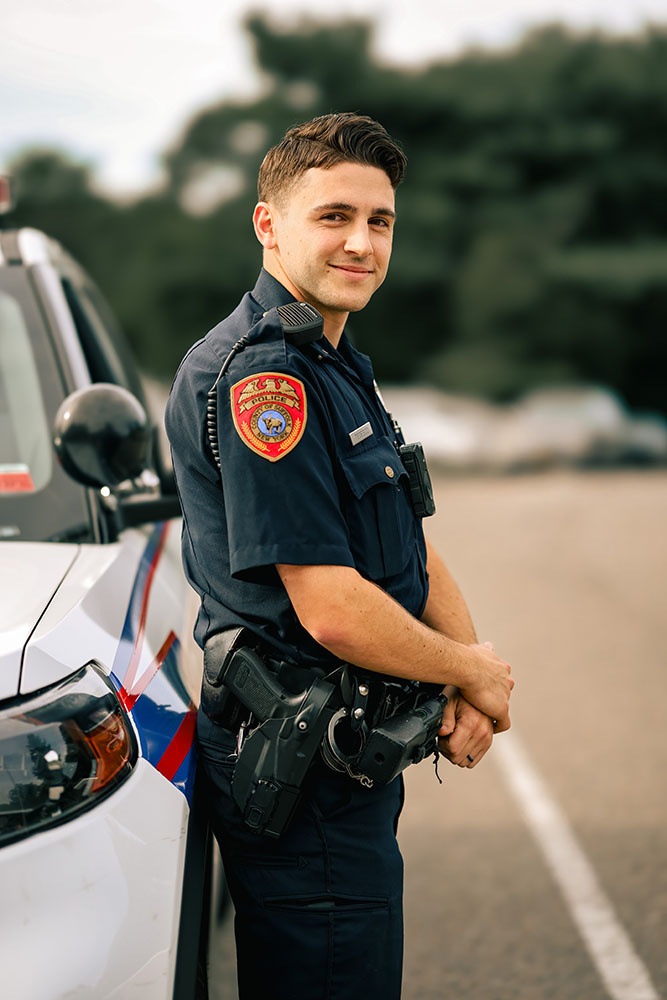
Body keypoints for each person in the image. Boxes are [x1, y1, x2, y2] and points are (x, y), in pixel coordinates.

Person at [165, 112, 513, 1000]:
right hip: (303, 776)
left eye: (380, 220)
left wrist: (468, 673)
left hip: (343, 758)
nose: (362, 242)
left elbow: (403, 531)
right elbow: (327, 604)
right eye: (333, 217)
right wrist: (466, 668)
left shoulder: (332, 356)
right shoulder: (261, 379)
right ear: (268, 224)